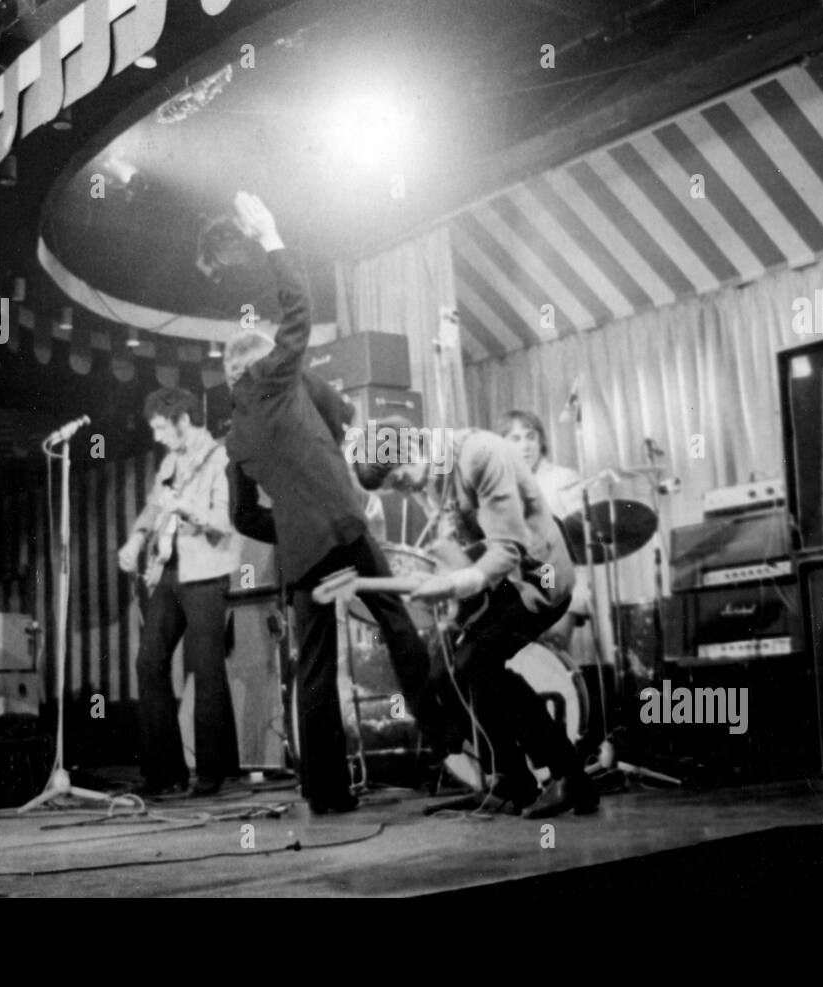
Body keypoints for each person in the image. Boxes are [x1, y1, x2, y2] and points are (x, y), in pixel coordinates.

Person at [223, 191, 433, 815]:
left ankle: (325, 791)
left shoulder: (235, 435)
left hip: (302, 553)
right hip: (343, 528)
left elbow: (240, 516)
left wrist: (287, 526)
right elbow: (298, 308)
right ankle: (448, 742)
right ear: (257, 365)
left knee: (313, 668)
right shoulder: (274, 376)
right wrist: (270, 235)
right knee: (397, 624)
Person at [359, 423, 600, 818]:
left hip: (539, 575)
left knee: (477, 661)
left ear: (413, 447)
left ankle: (570, 776)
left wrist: (454, 582)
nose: (405, 489)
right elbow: (467, 545)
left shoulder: (482, 455)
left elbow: (508, 548)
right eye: (394, 487)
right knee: (440, 673)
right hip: (500, 580)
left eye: (400, 478)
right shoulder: (429, 474)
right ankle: (510, 780)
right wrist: (445, 574)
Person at [117, 388, 241, 797]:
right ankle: (164, 772)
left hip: (206, 571)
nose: (156, 436)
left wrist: (187, 509)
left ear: (183, 420)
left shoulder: (220, 458)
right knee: (148, 662)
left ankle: (211, 772)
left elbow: (225, 522)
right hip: (168, 571)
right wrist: (135, 540)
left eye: (160, 427)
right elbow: (154, 508)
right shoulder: (170, 461)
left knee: (205, 668)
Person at [499, 410, 589, 652]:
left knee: (553, 660)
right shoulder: (501, 487)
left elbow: (582, 543)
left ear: (541, 441)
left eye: (531, 437)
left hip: (560, 583)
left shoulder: (564, 478)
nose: (525, 446)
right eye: (515, 439)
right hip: (520, 592)